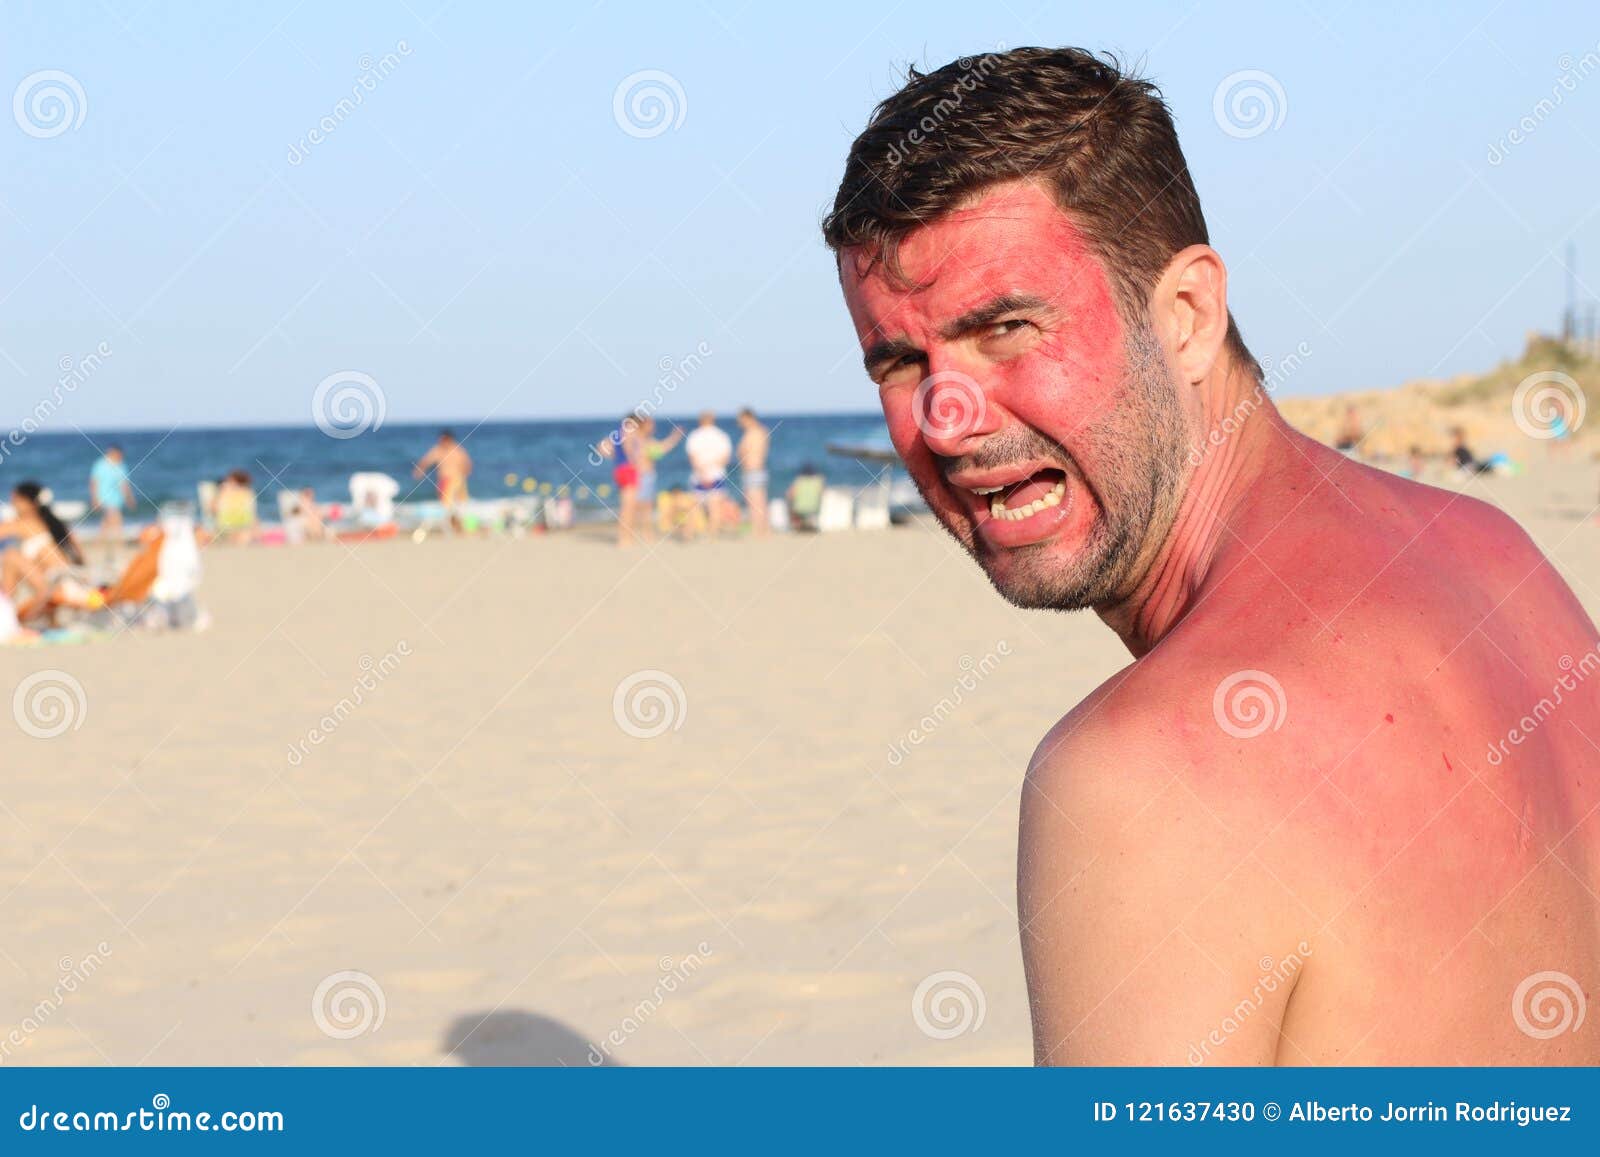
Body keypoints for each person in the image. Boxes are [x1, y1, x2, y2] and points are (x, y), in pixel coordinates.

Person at [825, 47, 1600, 1066]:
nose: (947, 417)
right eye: (899, 361)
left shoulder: (1140, 775)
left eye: (1007, 328)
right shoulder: (1496, 559)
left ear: (1187, 316)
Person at [0, 482, 85, 604]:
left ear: (30, 503)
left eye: (16, 500)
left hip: (59, 588)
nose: (13, 504)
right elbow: (79, 554)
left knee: (11, 556)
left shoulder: (23, 523)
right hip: (76, 582)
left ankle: (5, 607)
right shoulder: (55, 523)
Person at [413, 430, 473, 531]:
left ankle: (456, 525)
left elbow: (467, 464)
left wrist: (466, 472)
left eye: (443, 439)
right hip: (449, 480)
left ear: (448, 439)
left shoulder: (456, 450)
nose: (441, 441)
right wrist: (419, 470)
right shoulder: (440, 450)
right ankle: (454, 525)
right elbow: (426, 461)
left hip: (455, 480)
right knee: (450, 505)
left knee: (456, 504)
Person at [685, 411, 735, 533]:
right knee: (715, 507)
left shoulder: (694, 436)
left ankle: (690, 533)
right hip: (716, 474)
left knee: (694, 507)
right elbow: (725, 458)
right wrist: (711, 469)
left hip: (699, 475)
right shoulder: (721, 435)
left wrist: (703, 472)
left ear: (700, 420)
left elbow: (692, 458)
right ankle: (713, 534)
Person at [89, 444, 134, 548]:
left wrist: (129, 498)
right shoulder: (100, 465)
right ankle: (120, 542)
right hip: (104, 496)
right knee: (116, 517)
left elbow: (124, 484)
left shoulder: (121, 465)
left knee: (106, 521)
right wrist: (94, 498)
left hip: (117, 497)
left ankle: (99, 542)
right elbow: (94, 482)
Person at [736, 407, 771, 536]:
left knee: (755, 502)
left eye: (741, 420)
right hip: (756, 470)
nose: (739, 424)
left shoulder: (754, 432)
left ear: (748, 418)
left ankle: (759, 529)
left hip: (753, 470)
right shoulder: (760, 431)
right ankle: (763, 528)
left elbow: (748, 452)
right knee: (760, 501)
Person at [213, 470, 258, 544]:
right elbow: (252, 513)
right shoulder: (247, 493)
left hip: (235, 526)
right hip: (233, 526)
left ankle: (235, 538)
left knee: (242, 536)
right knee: (243, 536)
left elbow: (214, 509)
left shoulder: (224, 492)